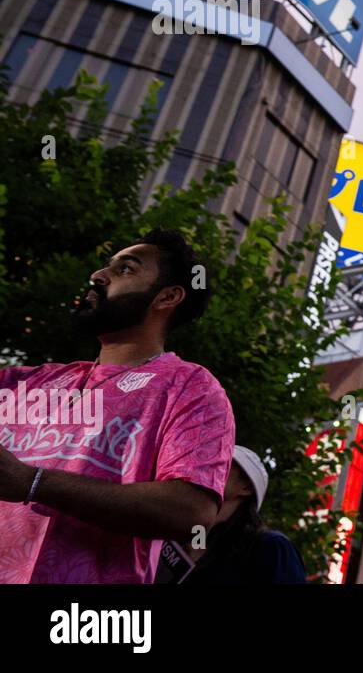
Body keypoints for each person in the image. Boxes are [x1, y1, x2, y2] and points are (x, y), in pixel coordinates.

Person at [0, 229, 235, 583]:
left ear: (167, 296)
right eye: (105, 266)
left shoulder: (192, 388)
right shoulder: (28, 382)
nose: (98, 276)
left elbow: (192, 512)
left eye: (125, 269)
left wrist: (33, 483)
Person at [178, 445, 306, 584]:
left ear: (246, 487)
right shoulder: (184, 535)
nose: (207, 467)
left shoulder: (270, 547)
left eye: (221, 464)